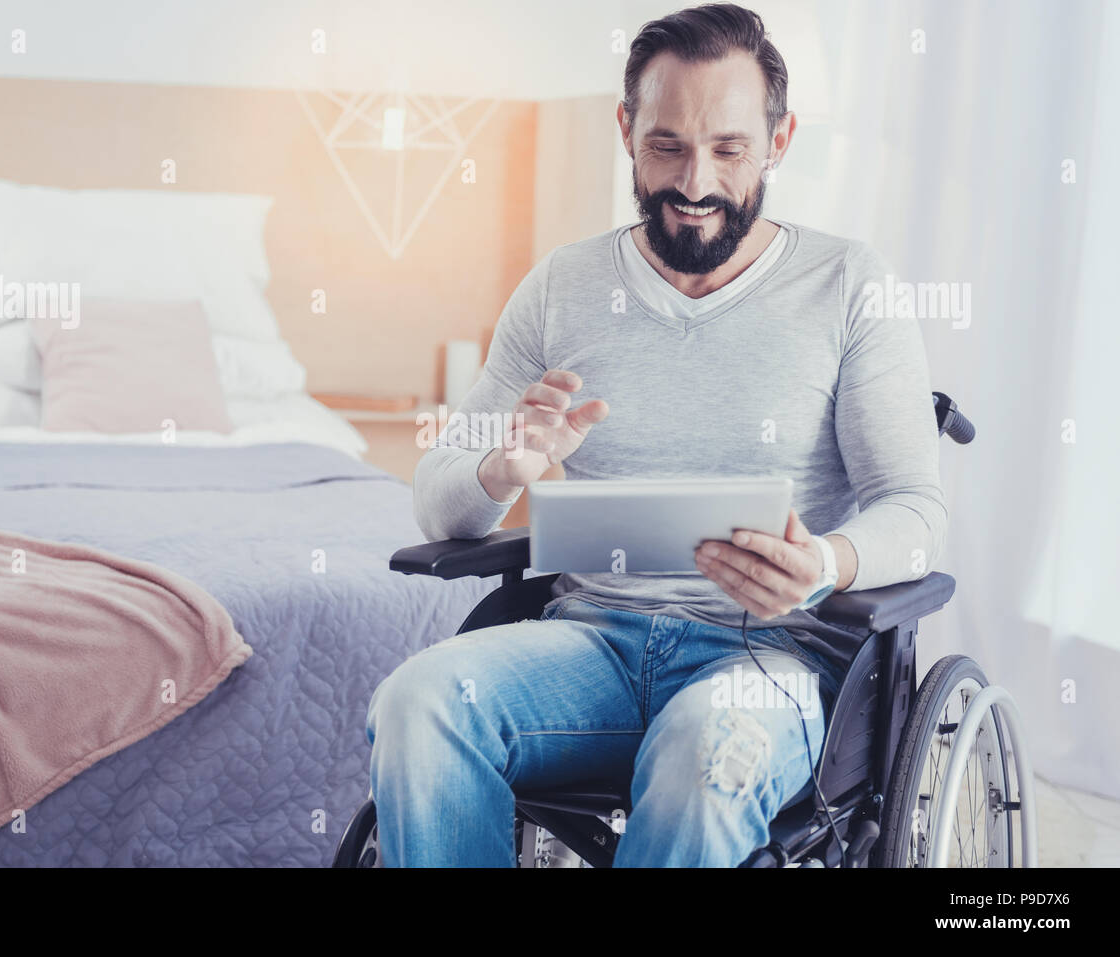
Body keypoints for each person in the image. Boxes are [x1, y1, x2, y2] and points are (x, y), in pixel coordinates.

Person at [366, 3, 946, 867]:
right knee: (418, 701)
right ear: (626, 130)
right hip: (589, 640)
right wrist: (504, 465)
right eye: (667, 145)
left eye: (729, 148)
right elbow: (437, 499)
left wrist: (825, 562)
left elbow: (915, 507)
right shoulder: (563, 285)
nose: (696, 182)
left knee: (702, 757)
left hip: (769, 655)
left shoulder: (850, 285)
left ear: (779, 141)